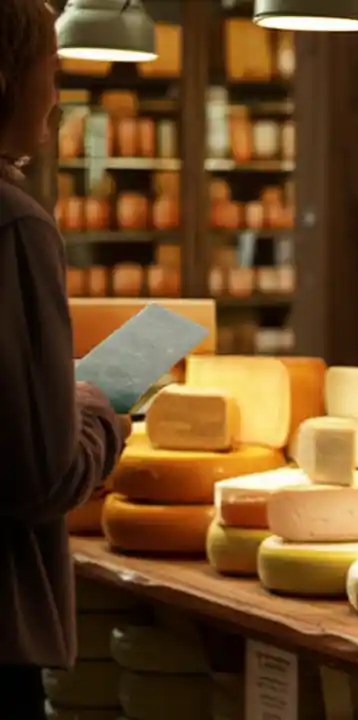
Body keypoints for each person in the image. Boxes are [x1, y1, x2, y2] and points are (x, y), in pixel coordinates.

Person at [0, 0, 130, 713]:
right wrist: (97, 410)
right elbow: (39, 478)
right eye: (48, 71)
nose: (55, 96)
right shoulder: (14, 223)